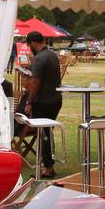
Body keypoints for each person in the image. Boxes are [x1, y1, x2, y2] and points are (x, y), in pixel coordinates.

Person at [24, 30, 62, 178]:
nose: (29, 49)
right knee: (47, 132)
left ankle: (47, 167)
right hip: (55, 99)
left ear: (33, 43)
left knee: (44, 133)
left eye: (29, 46)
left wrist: (29, 102)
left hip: (44, 101)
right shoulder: (52, 55)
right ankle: (48, 163)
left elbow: (36, 82)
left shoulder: (39, 58)